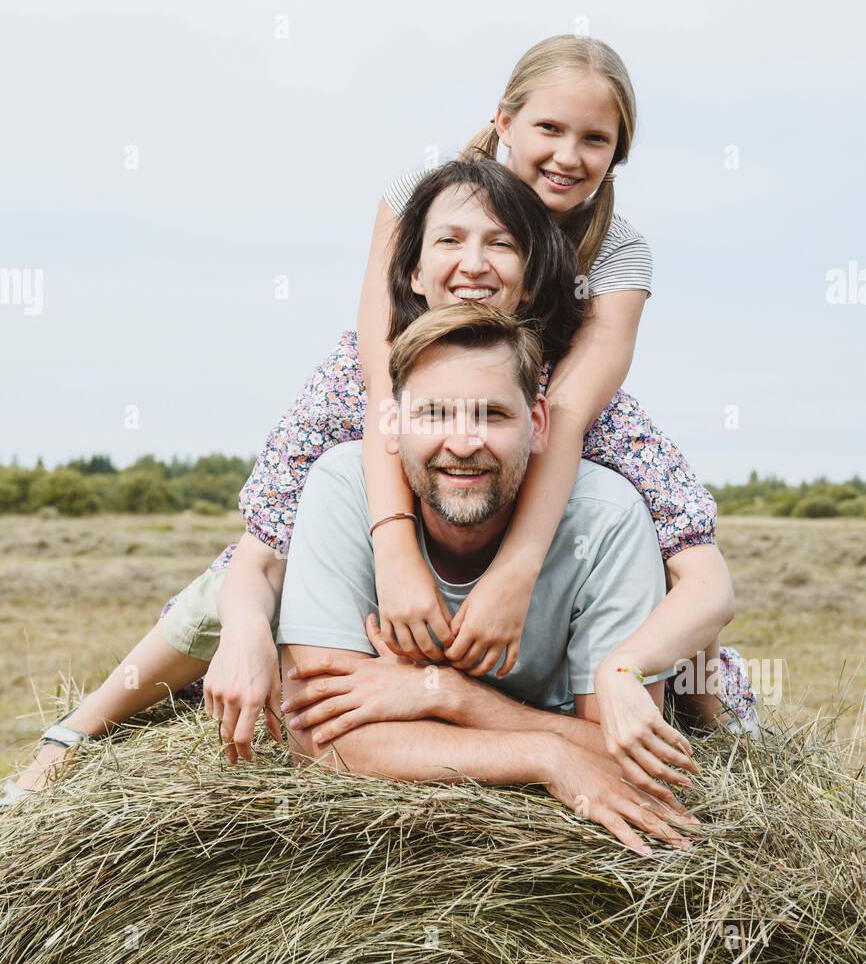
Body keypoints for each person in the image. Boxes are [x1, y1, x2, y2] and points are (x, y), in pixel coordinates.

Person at [2, 156, 755, 812]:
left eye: (502, 244)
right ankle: (68, 740)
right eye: (451, 242)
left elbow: (699, 577)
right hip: (333, 568)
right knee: (232, 584)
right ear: (414, 273)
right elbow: (269, 582)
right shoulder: (352, 401)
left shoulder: (590, 418)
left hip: (573, 629)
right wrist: (256, 624)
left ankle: (722, 745)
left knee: (678, 615)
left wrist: (450, 689)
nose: (475, 263)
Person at [277, 299, 703, 860]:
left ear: (539, 424)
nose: (463, 443)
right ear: (391, 423)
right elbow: (318, 738)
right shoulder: (341, 488)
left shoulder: (610, 519)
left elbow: (624, 751)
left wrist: (451, 696)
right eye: (434, 414)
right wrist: (545, 756)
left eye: (493, 415)